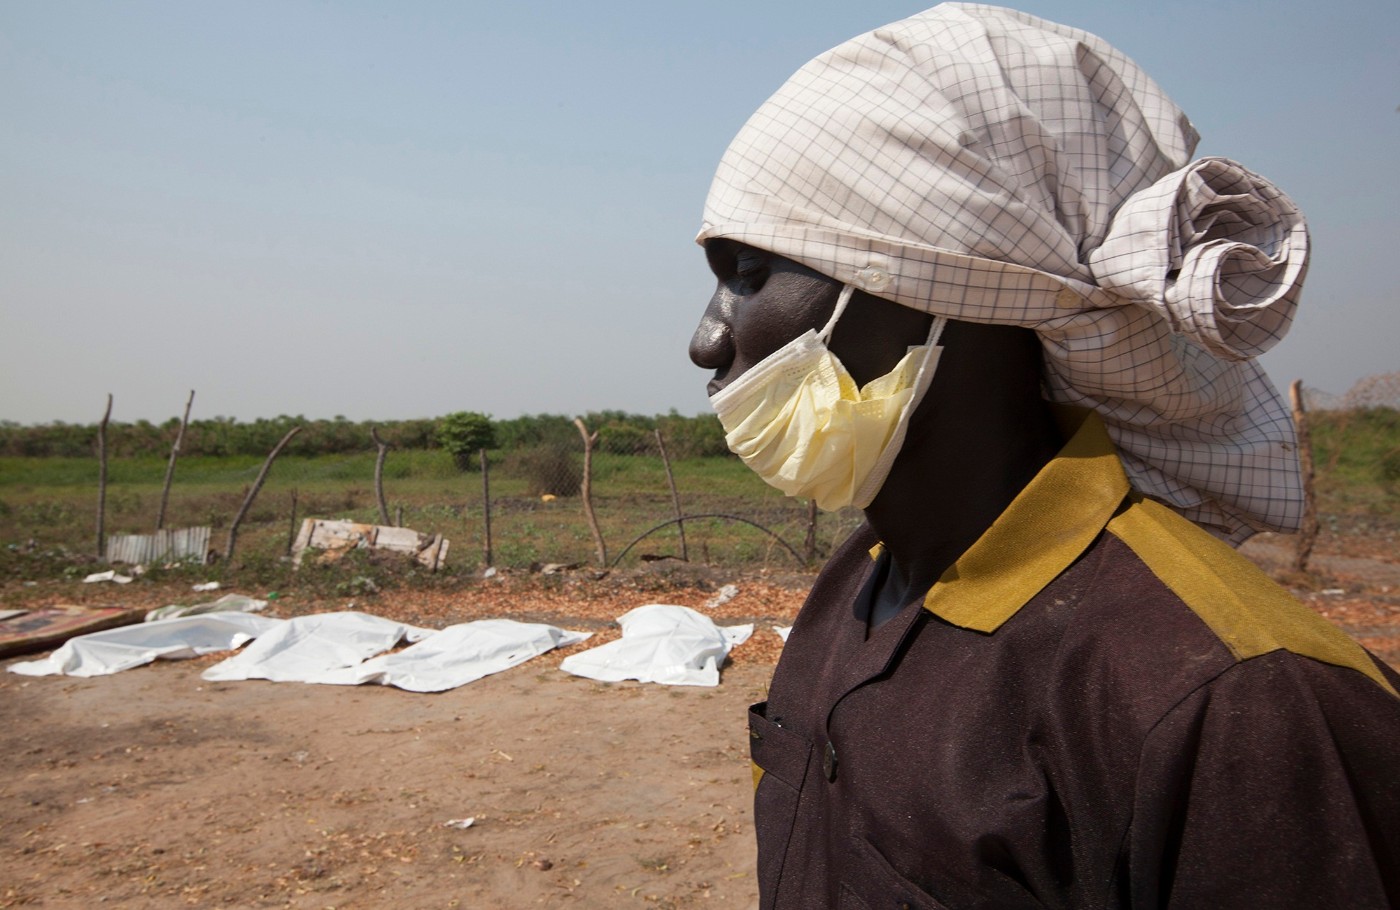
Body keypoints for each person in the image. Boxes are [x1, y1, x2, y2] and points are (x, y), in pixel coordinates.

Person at [687, 5, 1400, 908]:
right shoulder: (855, 585)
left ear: (946, 292)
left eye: (749, 275)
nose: (708, 340)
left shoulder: (1234, 704)